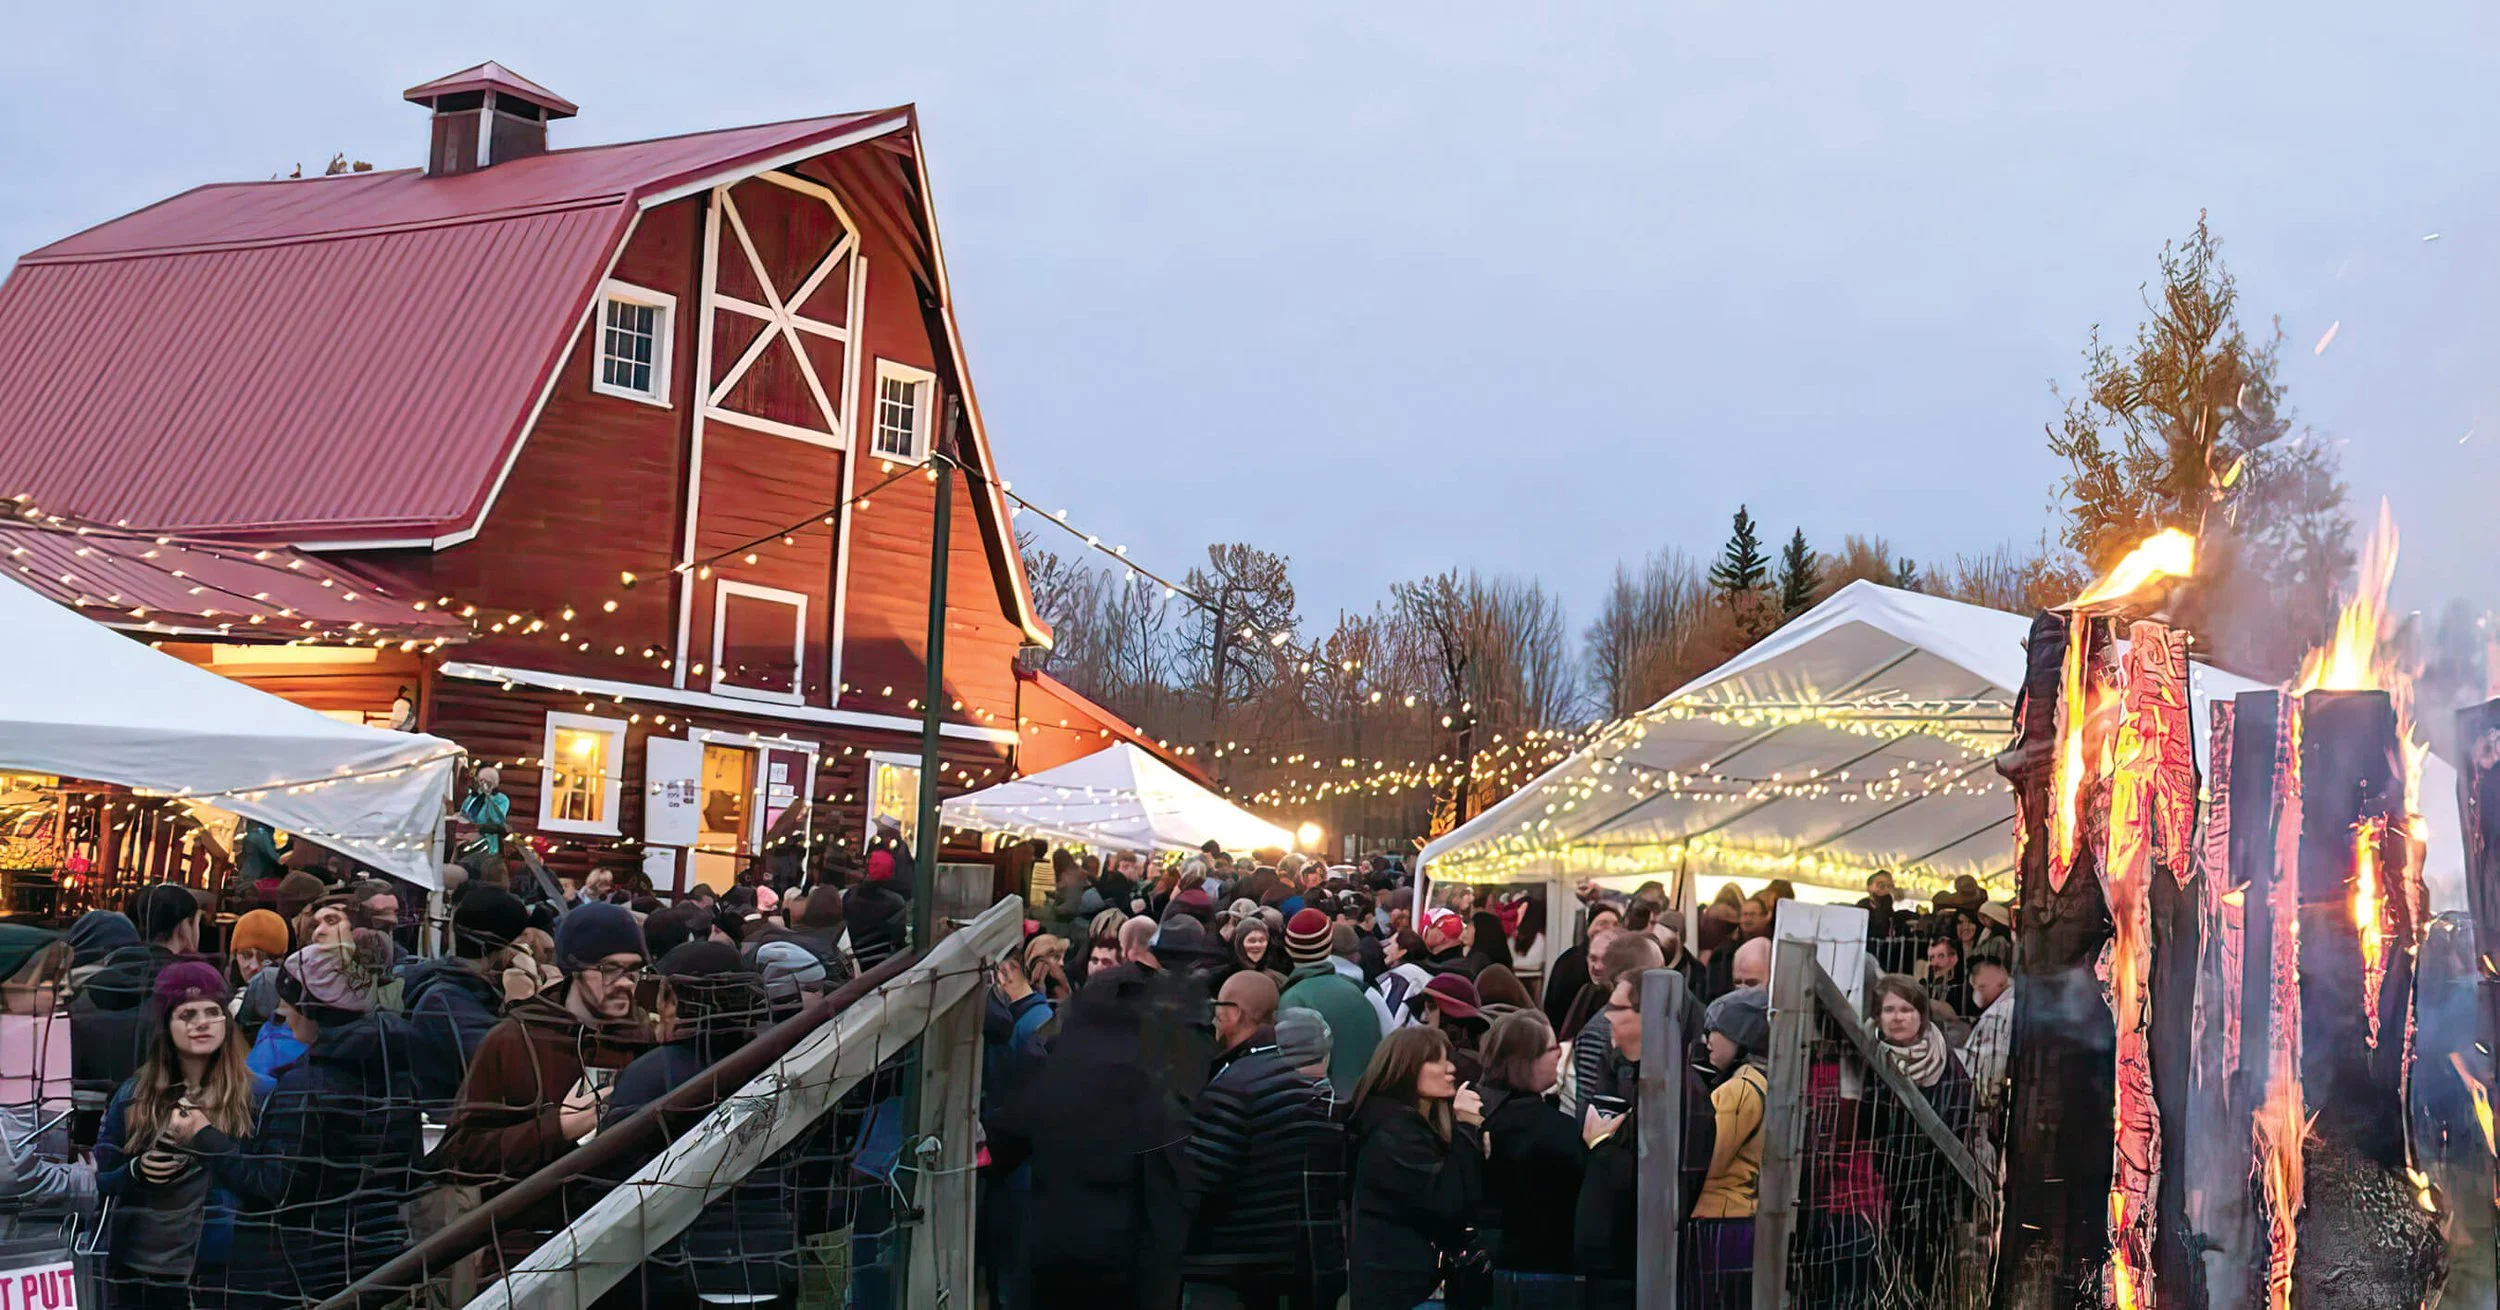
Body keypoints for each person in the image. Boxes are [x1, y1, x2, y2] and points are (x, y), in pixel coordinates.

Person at [187, 940, 422, 1307]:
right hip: (375, 1259)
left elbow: (273, 1187)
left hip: (299, 1272)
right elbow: (409, 1173)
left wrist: (203, 1136)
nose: (281, 1011)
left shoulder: (309, 1085)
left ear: (313, 1010)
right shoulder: (395, 1070)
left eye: (289, 1001)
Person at [434, 902, 655, 1272]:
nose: (624, 983)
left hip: (628, 1243)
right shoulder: (513, 1038)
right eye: (609, 969)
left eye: (634, 970)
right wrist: (558, 1128)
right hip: (528, 1248)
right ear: (573, 969)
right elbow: (460, 1155)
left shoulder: (645, 1040)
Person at [600, 942, 789, 1305]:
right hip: (766, 1259)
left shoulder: (652, 1074)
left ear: (678, 1002)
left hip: (671, 1265)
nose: (657, 1010)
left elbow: (609, 1176)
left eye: (664, 997)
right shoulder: (778, 1062)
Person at [96, 961, 271, 1306]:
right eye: (187, 1014)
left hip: (219, 1272)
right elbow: (100, 1180)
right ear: (167, 1026)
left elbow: (268, 1184)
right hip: (138, 1270)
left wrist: (209, 1139)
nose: (202, 1022)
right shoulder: (134, 1094)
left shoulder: (257, 1096)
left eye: (212, 1012)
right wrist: (136, 1171)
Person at [1182, 971, 1337, 1310]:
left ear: (1234, 1012)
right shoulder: (1289, 1074)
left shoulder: (1234, 1086)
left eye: (1219, 1007)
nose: (1214, 1016)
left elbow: (1201, 1180)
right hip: (1280, 1262)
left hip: (1230, 1265)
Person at [1347, 1027, 1485, 1310]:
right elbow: (1448, 1202)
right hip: (1404, 1290)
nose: (1450, 1069)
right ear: (1406, 1067)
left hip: (1409, 1284)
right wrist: (1468, 1131)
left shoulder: (1410, 1126)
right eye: (1436, 1060)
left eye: (1449, 1058)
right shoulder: (1393, 1132)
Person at [71, 883, 201, 1146]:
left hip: (88, 1126)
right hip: (164, 1127)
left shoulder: (91, 986)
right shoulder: (195, 987)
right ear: (185, 926)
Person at [1868, 974, 1973, 1294]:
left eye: (1906, 1009)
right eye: (1889, 1010)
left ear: (1922, 1014)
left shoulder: (1945, 1057)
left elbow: (1961, 1113)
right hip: (1884, 1185)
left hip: (1936, 1187)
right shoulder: (1867, 1057)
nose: (1897, 1017)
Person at [1474, 1011, 1582, 1284]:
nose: (1559, 1054)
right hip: (1541, 1271)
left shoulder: (1476, 1111)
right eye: (1550, 1049)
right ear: (1526, 1062)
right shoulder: (1551, 1130)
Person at [403, 885, 529, 1111]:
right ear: (509, 947)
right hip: (455, 1126)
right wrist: (521, 1004)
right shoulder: (445, 1001)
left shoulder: (467, 988)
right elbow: (510, 1070)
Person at [0, 929, 89, 1244]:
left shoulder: (41, 1037)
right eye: (51, 977)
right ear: (10, 984)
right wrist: (85, 1181)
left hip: (32, 1239)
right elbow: (10, 1172)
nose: (66, 988)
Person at [1690, 987, 1770, 1309]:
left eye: (1715, 1031)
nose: (1707, 1040)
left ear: (1741, 1035)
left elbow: (1707, 1160)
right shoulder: (1762, 1080)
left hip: (1718, 1221)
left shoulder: (1739, 1089)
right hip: (1741, 1219)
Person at [1277, 909, 1382, 1099]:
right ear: (1328, 947)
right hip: (1366, 1109)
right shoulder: (1362, 993)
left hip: (1321, 1114)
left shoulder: (1292, 999)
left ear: (1289, 949)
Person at [1963, 947, 2016, 1173]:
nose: (1978, 993)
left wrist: (1979, 1103)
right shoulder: (2008, 1004)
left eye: (1982, 987)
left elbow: (1988, 1075)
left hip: (1987, 1117)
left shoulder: (1999, 1013)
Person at [1541, 903, 1619, 1031]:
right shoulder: (1569, 962)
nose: (1609, 928)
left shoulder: (1621, 964)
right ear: (1589, 928)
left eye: (1615, 924)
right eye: (1603, 923)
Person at [1408, 974, 1488, 1085]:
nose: (1423, 1017)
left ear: (1449, 1016)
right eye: (1423, 1008)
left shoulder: (1468, 1067)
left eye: (1431, 1007)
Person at [1367, 930, 1435, 1036]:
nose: (1384, 949)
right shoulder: (1424, 975)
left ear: (1402, 952)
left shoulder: (1399, 978)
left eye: (1390, 944)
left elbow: (1390, 1022)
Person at [458, 764, 509, 858]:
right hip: (465, 843)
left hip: (487, 847)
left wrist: (489, 797)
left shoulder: (501, 799)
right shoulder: (472, 797)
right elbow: (463, 815)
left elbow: (496, 820)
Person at [1446, 910, 1512, 981]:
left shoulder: (1480, 959)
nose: (1466, 929)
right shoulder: (1493, 961)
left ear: (1482, 931)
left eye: (1471, 926)